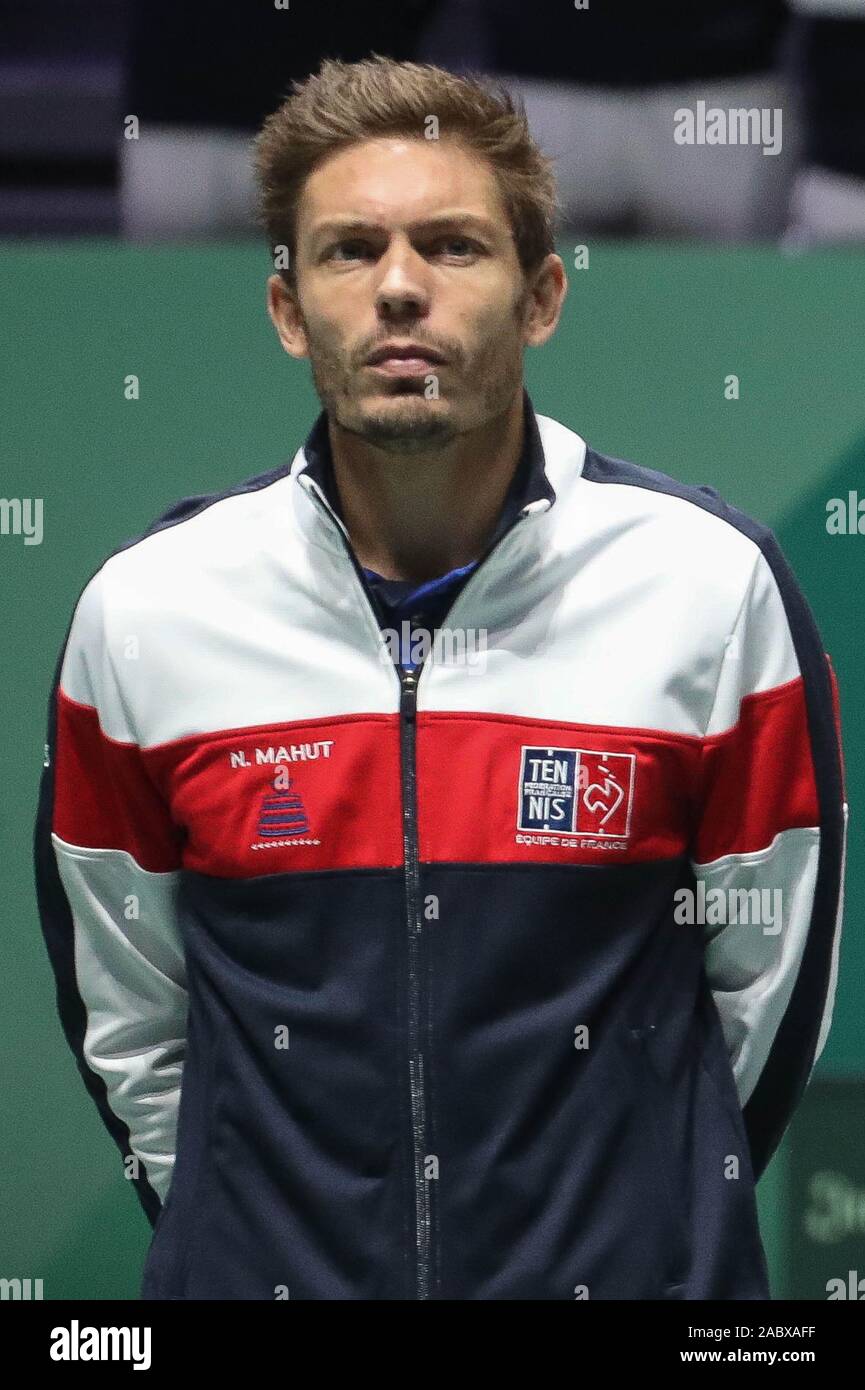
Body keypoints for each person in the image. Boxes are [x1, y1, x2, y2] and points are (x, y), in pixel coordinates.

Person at [34, 55, 847, 1301]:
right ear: (288, 310)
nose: (400, 288)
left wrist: (637, 1225)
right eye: (350, 250)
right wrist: (249, 1234)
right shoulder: (149, 611)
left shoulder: (708, 583)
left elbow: (767, 999)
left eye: (454, 246)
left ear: (542, 297)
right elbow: (128, 1011)